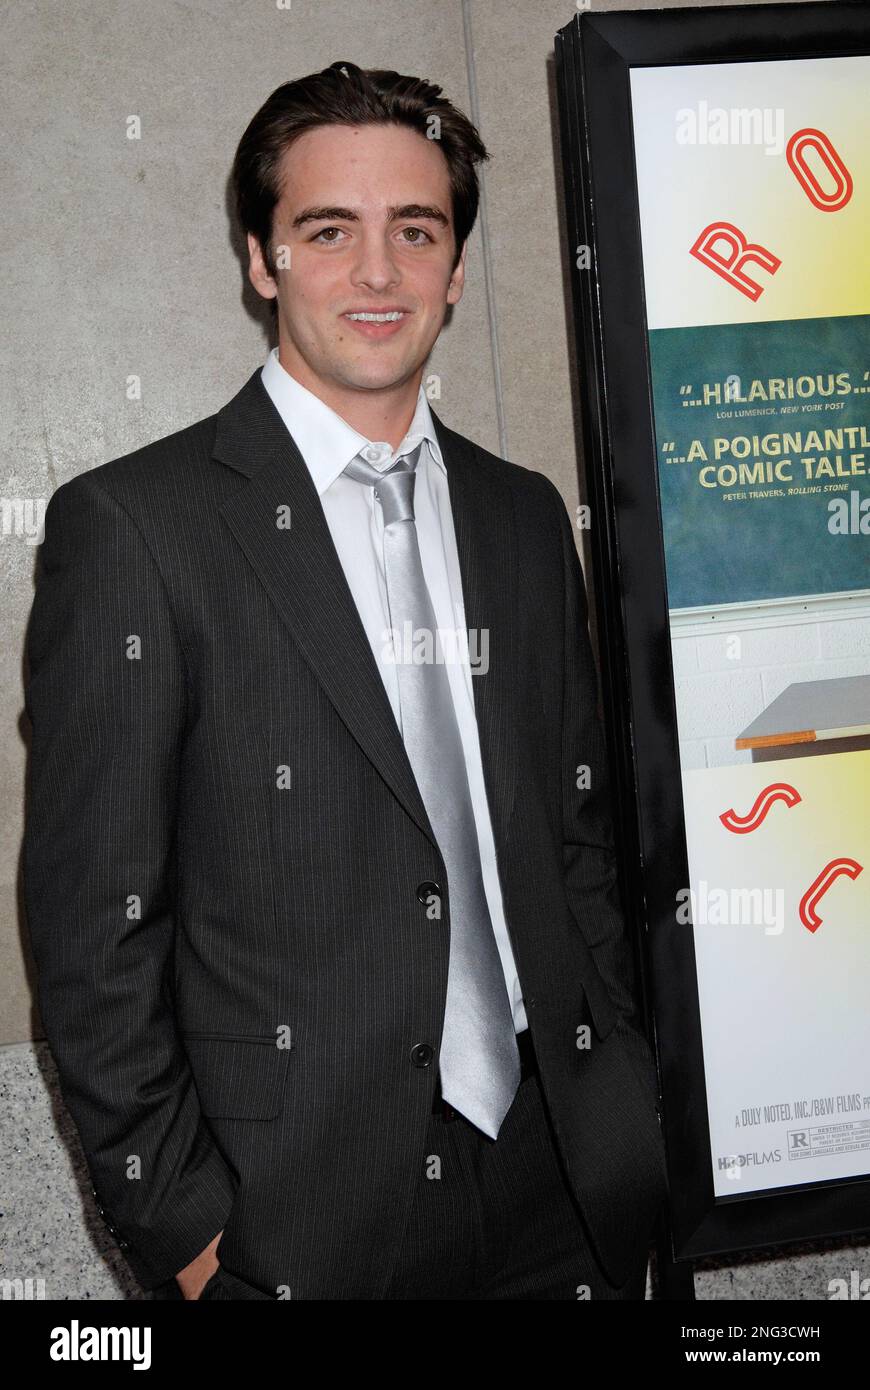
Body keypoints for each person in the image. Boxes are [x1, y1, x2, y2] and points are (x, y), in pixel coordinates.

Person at [23, 60, 667, 1301]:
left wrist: (621, 1096)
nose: (377, 273)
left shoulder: (526, 517)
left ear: (456, 268)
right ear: (262, 261)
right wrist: (196, 1240)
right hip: (301, 1225)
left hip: (565, 1186)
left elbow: (576, 839)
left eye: (414, 231)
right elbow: (93, 927)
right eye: (330, 231)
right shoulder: (136, 530)